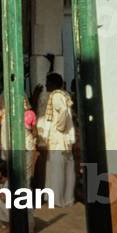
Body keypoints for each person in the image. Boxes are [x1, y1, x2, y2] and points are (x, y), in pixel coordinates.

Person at [40, 73, 76, 208]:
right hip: (66, 139)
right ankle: (68, 199)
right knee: (67, 169)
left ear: (53, 84)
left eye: (47, 82)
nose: (45, 85)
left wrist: (59, 127)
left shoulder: (55, 96)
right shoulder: (64, 95)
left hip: (58, 138)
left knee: (56, 170)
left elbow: (63, 112)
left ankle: (57, 200)